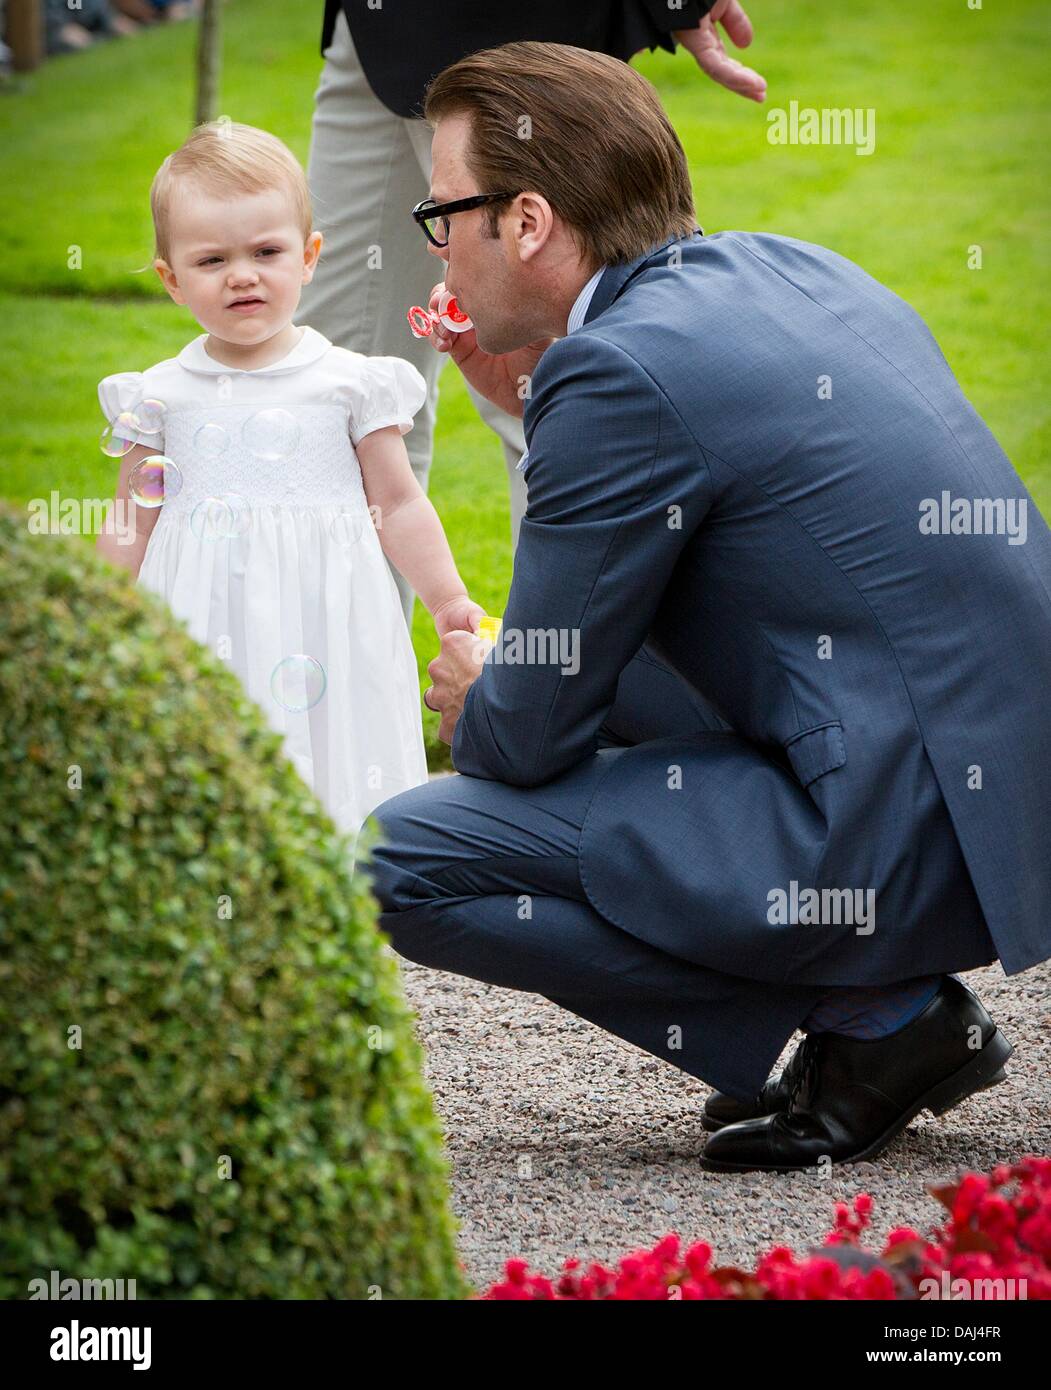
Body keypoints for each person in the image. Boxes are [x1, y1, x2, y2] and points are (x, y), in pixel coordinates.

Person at [366, 42, 1051, 1172]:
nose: (438, 241)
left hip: (896, 816)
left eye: (446, 211)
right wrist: (536, 388)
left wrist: (477, 691)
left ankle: (880, 1019)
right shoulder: (787, 267)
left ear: (526, 220)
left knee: (395, 855)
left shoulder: (617, 373)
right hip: (993, 786)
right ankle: (879, 1016)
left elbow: (526, 734)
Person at [300, 0, 766, 626]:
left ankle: (560, 689)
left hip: (521, 25)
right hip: (372, 36)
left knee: (553, 394)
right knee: (340, 395)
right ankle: (350, 692)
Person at [95, 121, 483, 836]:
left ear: (308, 258)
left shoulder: (350, 384)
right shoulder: (158, 395)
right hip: (199, 614)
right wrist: (98, 616)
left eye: (266, 252)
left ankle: (344, 898)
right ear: (171, 279)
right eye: (212, 259)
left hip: (328, 613)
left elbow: (396, 504)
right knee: (209, 765)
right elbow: (130, 517)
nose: (242, 274)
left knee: (338, 752)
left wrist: (446, 598)